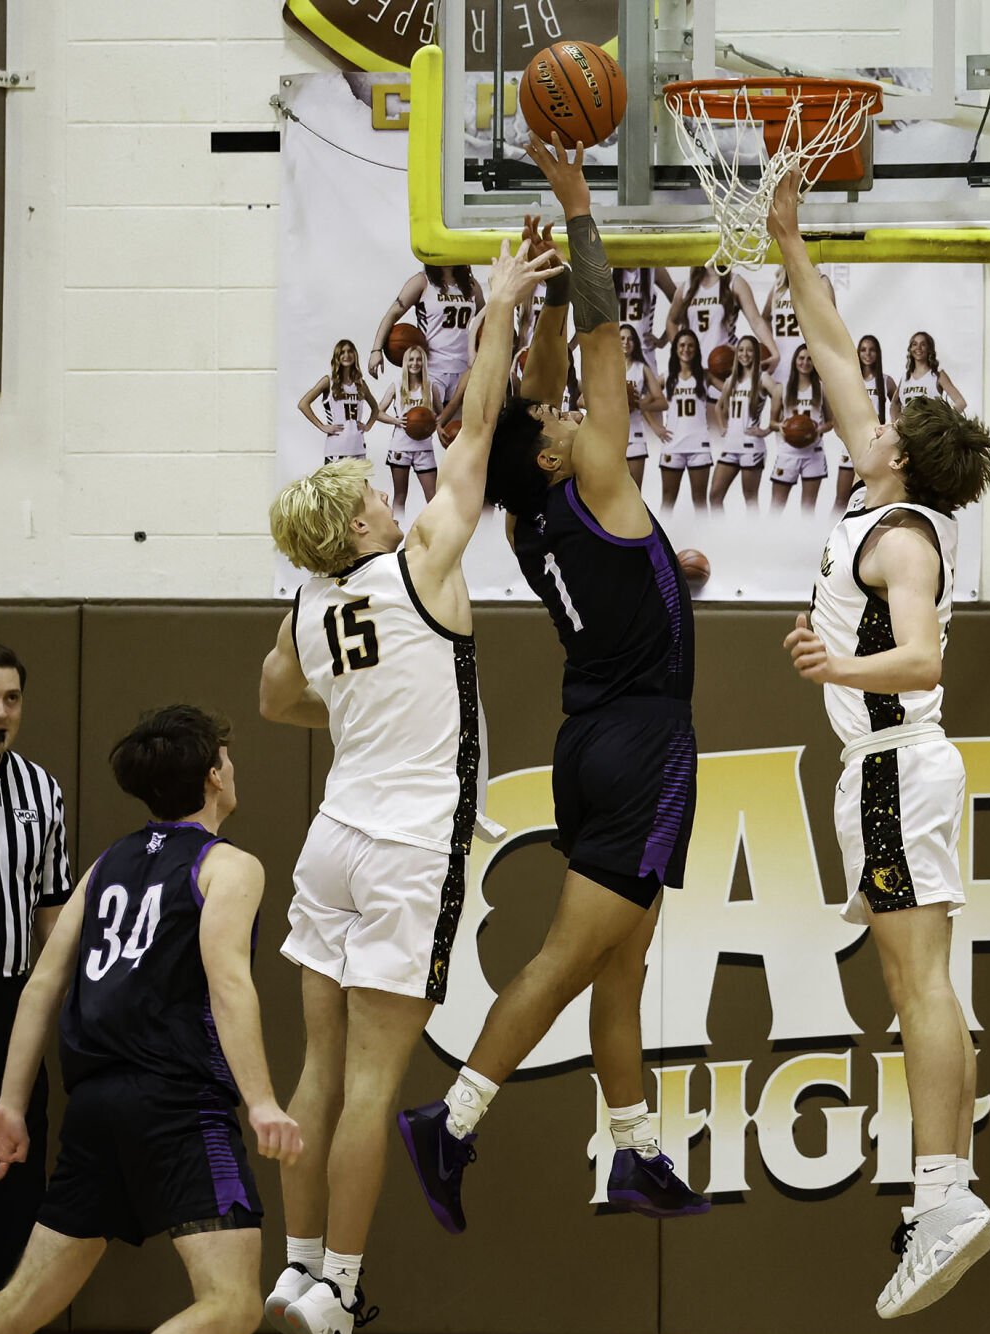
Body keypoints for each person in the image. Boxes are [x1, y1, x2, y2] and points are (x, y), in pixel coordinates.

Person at [261, 238, 555, 1334]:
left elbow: (275, 697)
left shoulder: (315, 602)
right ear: (366, 524)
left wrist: (353, 695)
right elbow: (475, 436)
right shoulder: (419, 561)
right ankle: (334, 1281)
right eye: (378, 494)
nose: (397, 493)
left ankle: (295, 1261)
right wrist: (493, 312)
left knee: (317, 1066)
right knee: (378, 1078)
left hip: (331, 837)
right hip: (404, 845)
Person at [398, 142, 707, 1240]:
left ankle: (632, 1150)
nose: (580, 414)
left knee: (621, 958)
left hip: (592, 743)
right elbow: (604, 340)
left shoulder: (533, 518)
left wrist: (514, 317)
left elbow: (535, 392)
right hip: (642, 746)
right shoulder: (601, 480)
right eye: (570, 424)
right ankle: (456, 1117)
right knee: (571, 957)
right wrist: (578, 212)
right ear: (557, 457)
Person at [768, 172, 990, 1320]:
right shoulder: (886, 499)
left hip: (895, 758)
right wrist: (788, 242)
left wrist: (830, 663)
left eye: (886, 427)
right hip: (897, 769)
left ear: (900, 456)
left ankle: (944, 1189)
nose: (870, 420)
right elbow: (831, 356)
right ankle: (944, 1186)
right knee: (924, 985)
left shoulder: (901, 539)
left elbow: (921, 662)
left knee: (915, 987)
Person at [0, 705, 300, 1334]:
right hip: (178, 1107)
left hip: (95, 1107)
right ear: (216, 775)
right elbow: (228, 983)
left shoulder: (108, 864)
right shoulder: (230, 866)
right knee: (231, 1306)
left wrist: (9, 1103)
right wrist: (259, 1102)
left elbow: (41, 985)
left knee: (16, 1306)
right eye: (229, 756)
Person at [0, 644, 72, 1334]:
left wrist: (54, 1016)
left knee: (13, 1198)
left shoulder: (40, 792)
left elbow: (49, 918)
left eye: (11, 698)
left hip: (8, 1013)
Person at [367, 265, 486, 400]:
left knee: (460, 421)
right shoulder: (422, 281)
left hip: (463, 367)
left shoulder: (471, 284)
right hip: (430, 368)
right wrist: (376, 350)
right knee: (423, 419)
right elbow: (393, 313)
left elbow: (486, 318)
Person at [711, 335, 780, 511]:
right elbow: (718, 407)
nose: (745, 354)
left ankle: (754, 536)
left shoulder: (762, 377)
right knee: (715, 496)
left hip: (752, 446)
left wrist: (768, 428)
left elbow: (780, 395)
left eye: (749, 350)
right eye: (741, 350)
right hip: (730, 445)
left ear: (756, 354)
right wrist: (722, 428)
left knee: (750, 499)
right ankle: (719, 534)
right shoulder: (731, 380)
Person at [376, 341, 441, 522]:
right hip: (400, 448)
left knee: (433, 497)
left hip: (424, 448)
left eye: (419, 360)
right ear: (405, 362)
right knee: (400, 496)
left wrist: (434, 426)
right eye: (411, 359)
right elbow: (378, 412)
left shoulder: (431, 386)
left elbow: (441, 415)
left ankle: (435, 534)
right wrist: (395, 420)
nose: (415, 363)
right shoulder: (397, 385)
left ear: (423, 362)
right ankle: (398, 533)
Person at [665, 265, 776, 370]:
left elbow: (756, 321)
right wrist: (680, 353)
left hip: (726, 362)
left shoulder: (734, 282)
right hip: (695, 367)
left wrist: (774, 352)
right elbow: (671, 321)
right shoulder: (686, 287)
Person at [835, 335, 901, 509]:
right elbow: (837, 412)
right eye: (863, 349)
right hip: (852, 440)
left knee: (870, 497)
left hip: (875, 445)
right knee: (841, 498)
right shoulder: (851, 380)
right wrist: (841, 433)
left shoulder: (886, 380)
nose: (867, 353)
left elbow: (897, 404)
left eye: (871, 349)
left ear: (877, 353)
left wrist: (895, 427)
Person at [659, 328, 718, 515]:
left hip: (698, 444)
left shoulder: (705, 375)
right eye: (682, 345)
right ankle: (662, 541)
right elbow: (642, 399)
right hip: (673, 444)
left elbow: (730, 389)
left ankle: (705, 540)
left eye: (691, 345)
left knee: (700, 500)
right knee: (667, 500)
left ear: (696, 349)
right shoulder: (667, 376)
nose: (686, 349)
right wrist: (655, 427)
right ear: (676, 348)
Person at [770, 343, 833, 513]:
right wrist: (782, 426)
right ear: (795, 361)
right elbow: (772, 422)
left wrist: (817, 430)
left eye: (809, 359)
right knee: (776, 506)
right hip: (788, 452)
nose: (805, 362)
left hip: (813, 454)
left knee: (808, 509)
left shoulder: (821, 388)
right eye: (801, 358)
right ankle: (768, 537)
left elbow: (831, 422)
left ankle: (805, 538)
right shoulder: (781, 388)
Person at [298, 340, 379, 463]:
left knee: (360, 483)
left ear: (355, 355)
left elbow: (375, 408)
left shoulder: (360, 384)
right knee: (335, 483)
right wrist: (322, 426)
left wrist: (367, 426)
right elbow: (303, 404)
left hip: (358, 450)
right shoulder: (328, 381)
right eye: (342, 352)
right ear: (337, 357)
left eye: (350, 351)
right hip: (336, 450)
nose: (346, 355)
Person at [763, 264, 835, 384]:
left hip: (809, 365)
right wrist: (771, 346)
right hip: (782, 367)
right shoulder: (778, 287)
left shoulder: (820, 283)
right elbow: (765, 318)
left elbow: (833, 326)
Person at [619, 323, 669, 494]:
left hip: (635, 436)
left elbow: (661, 402)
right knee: (611, 494)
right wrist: (608, 404)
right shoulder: (607, 368)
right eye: (622, 338)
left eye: (630, 339)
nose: (626, 342)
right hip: (611, 436)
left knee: (634, 494)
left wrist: (638, 404)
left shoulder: (642, 369)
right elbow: (582, 401)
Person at [614, 267, 678, 358]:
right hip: (615, 352)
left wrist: (663, 340)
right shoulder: (610, 269)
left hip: (643, 351)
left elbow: (681, 306)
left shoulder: (654, 270)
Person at [899, 331, 967, 412]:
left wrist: (943, 419)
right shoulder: (905, 377)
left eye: (923, 344)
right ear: (910, 349)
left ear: (929, 348)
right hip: (907, 424)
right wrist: (896, 422)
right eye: (914, 344)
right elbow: (894, 405)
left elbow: (961, 402)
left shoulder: (937, 375)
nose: (918, 347)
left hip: (929, 425)